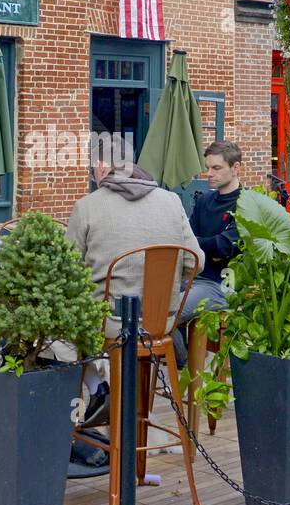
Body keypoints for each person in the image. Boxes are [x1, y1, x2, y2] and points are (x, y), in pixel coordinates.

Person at [64, 136, 203, 426]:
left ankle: (90, 395)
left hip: (109, 324)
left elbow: (67, 272)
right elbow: (196, 262)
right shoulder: (172, 201)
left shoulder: (87, 206)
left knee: (59, 331)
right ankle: (127, 406)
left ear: (102, 167)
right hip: (160, 324)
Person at [173, 141, 243, 364]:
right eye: (208, 167)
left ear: (236, 168)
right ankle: (182, 358)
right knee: (147, 303)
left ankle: (183, 363)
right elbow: (188, 240)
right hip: (192, 278)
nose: (209, 174)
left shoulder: (247, 204)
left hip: (222, 285)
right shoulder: (204, 200)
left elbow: (224, 246)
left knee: (164, 313)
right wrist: (208, 244)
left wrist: (203, 244)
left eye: (216, 168)